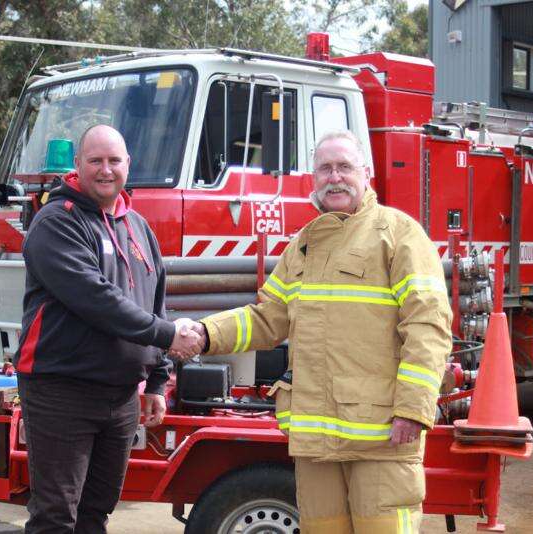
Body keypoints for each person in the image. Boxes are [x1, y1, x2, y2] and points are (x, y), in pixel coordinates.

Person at [188, 130, 453, 533]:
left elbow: (428, 327)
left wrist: (413, 410)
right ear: (314, 179)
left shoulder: (399, 235)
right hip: (316, 440)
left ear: (366, 174)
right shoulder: (303, 247)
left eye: (345, 167)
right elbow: (267, 319)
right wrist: (205, 334)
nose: (335, 177)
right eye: (325, 169)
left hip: (382, 437)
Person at [13, 124, 202, 533]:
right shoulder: (55, 223)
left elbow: (154, 302)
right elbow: (97, 301)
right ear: (77, 165)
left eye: (114, 161)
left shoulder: (137, 227)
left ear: (127, 165)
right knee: (56, 514)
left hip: (120, 397)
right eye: (95, 160)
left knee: (96, 510)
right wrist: (170, 336)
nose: (105, 170)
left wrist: (155, 381)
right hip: (62, 391)